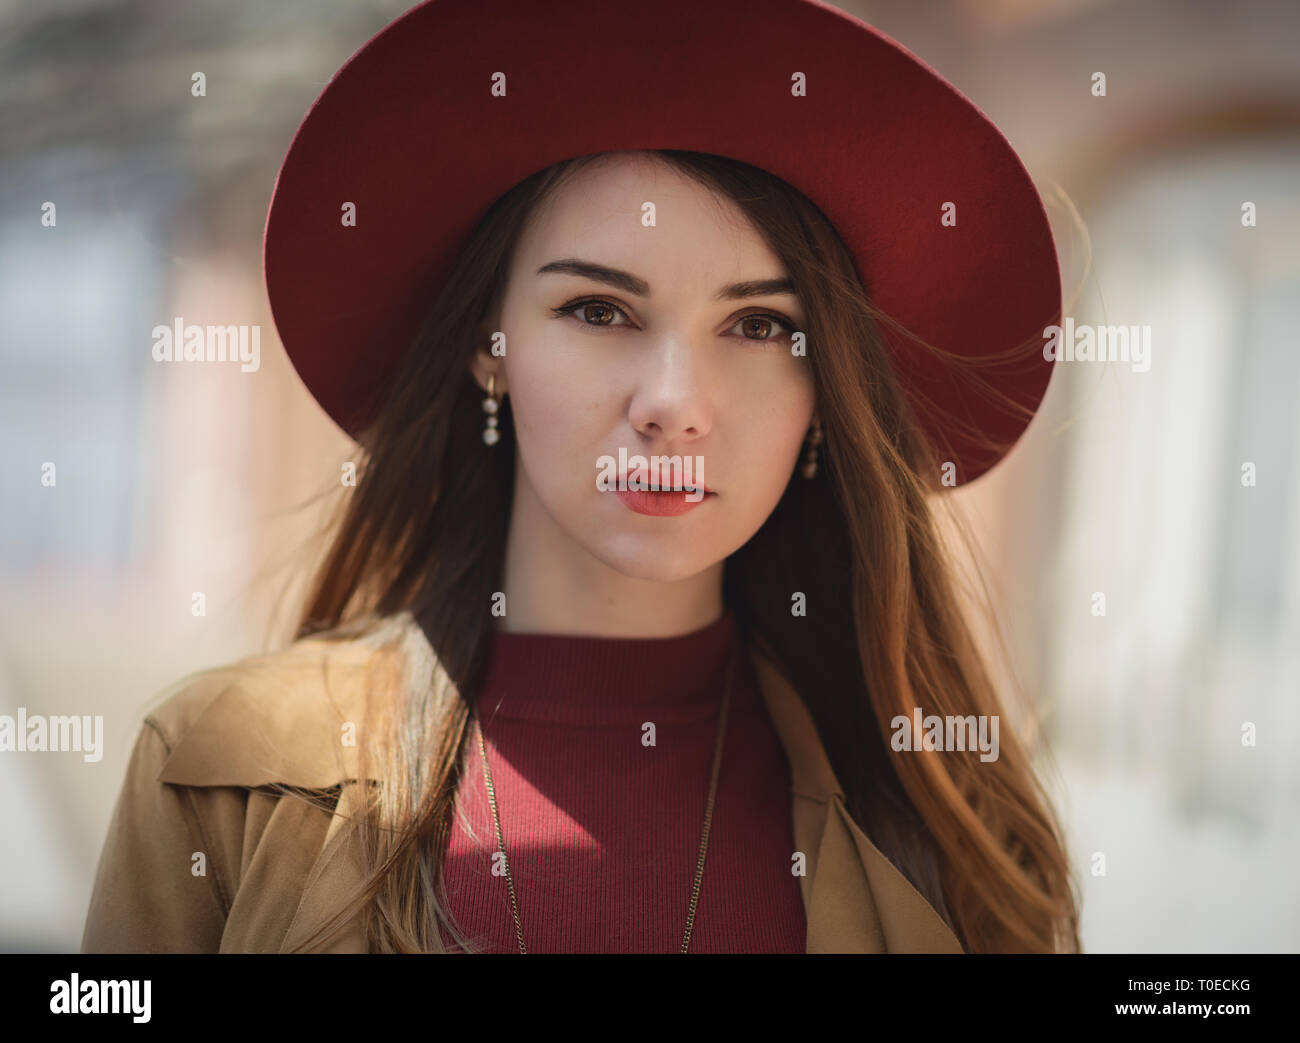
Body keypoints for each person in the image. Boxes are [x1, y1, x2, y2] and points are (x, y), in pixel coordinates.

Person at [82, 0, 1081, 954]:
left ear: (823, 390)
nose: (674, 400)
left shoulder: (946, 826)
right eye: (600, 310)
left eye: (761, 325)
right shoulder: (220, 773)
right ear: (490, 343)